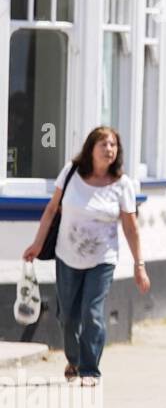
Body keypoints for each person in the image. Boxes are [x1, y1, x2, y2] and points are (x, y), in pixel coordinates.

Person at [22, 127, 150, 383]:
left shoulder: (122, 184)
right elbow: (51, 210)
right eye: (103, 144)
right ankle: (74, 360)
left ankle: (90, 369)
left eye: (113, 145)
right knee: (67, 315)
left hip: (103, 259)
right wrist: (37, 244)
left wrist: (139, 265)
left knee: (92, 312)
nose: (109, 149)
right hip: (66, 256)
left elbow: (130, 227)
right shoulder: (70, 173)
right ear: (91, 148)